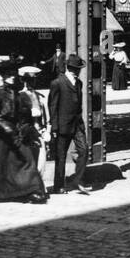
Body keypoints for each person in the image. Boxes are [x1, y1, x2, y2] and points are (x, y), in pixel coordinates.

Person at [0, 61, 48, 204]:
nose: (12, 77)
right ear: (3, 76)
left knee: (25, 160)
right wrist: (7, 129)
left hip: (14, 133)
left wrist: (28, 130)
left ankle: (32, 191)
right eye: (8, 74)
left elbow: (23, 115)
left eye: (13, 74)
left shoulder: (18, 93)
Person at [48, 54, 92, 195]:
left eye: (78, 68)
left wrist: (81, 123)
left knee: (84, 150)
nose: (78, 71)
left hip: (77, 124)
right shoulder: (57, 83)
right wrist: (54, 127)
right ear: (70, 67)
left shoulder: (79, 83)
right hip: (62, 125)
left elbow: (79, 105)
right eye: (75, 68)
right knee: (60, 156)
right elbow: (52, 106)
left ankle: (78, 180)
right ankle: (58, 185)